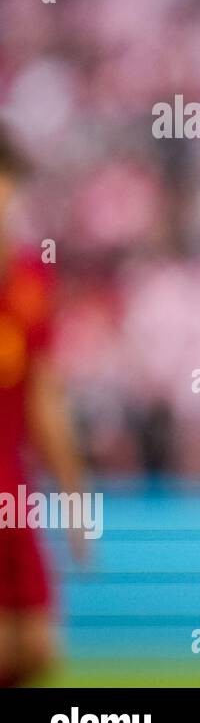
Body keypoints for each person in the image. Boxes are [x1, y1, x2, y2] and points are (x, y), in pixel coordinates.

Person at [0, 122, 89, 687]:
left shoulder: (30, 279)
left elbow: (44, 399)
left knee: (36, 643)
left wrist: (72, 492)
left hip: (11, 486)